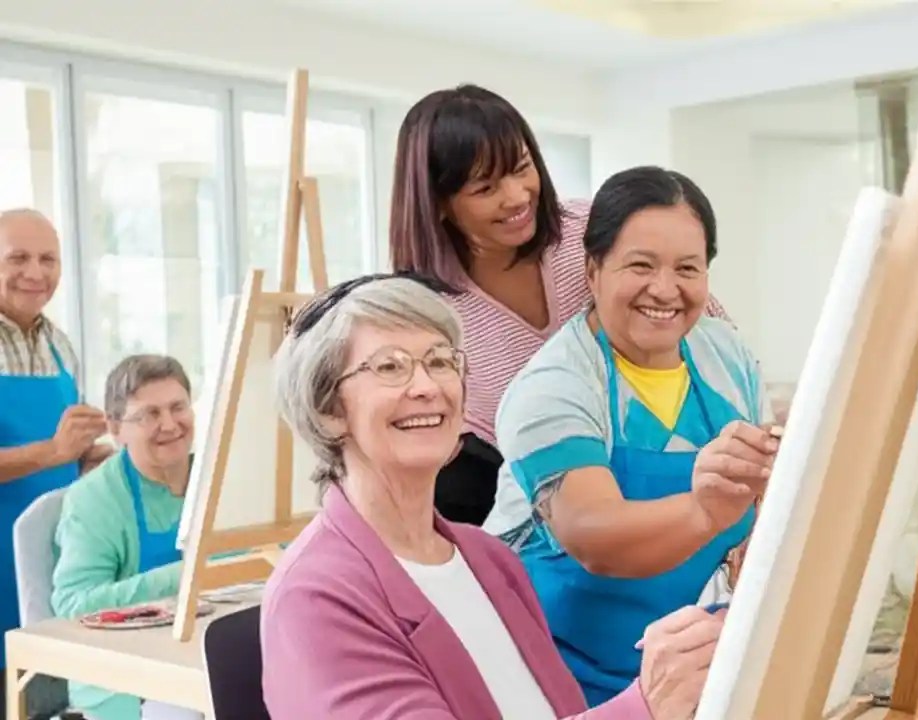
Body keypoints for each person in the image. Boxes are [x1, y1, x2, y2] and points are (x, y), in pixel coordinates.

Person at [261, 273, 725, 719]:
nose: (427, 387)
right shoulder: (315, 597)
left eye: (440, 361)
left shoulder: (490, 557)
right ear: (329, 410)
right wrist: (645, 705)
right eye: (390, 367)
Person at [482, 166, 775, 705]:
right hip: (553, 677)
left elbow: (764, 491)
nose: (665, 289)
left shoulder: (726, 356)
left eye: (687, 268)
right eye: (641, 265)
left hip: (678, 668)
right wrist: (707, 511)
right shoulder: (553, 386)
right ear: (593, 270)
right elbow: (595, 538)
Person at [387, 85, 728, 523]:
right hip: (551, 504)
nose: (516, 197)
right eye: (485, 187)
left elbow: (706, 325)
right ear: (438, 204)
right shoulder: (430, 314)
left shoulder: (588, 230)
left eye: (522, 168)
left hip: (674, 458)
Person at [51, 354, 199, 720]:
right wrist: (183, 577)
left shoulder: (216, 476)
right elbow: (73, 604)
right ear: (116, 429)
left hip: (199, 655)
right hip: (118, 678)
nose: (170, 424)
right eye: (149, 414)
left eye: (178, 407)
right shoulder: (94, 499)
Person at [0, 208, 112, 678]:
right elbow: (53, 450)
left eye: (48, 259)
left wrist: (92, 460)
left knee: (41, 688)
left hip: (47, 559)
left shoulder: (60, 345)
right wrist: (53, 452)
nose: (35, 273)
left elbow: (66, 457)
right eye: (18, 258)